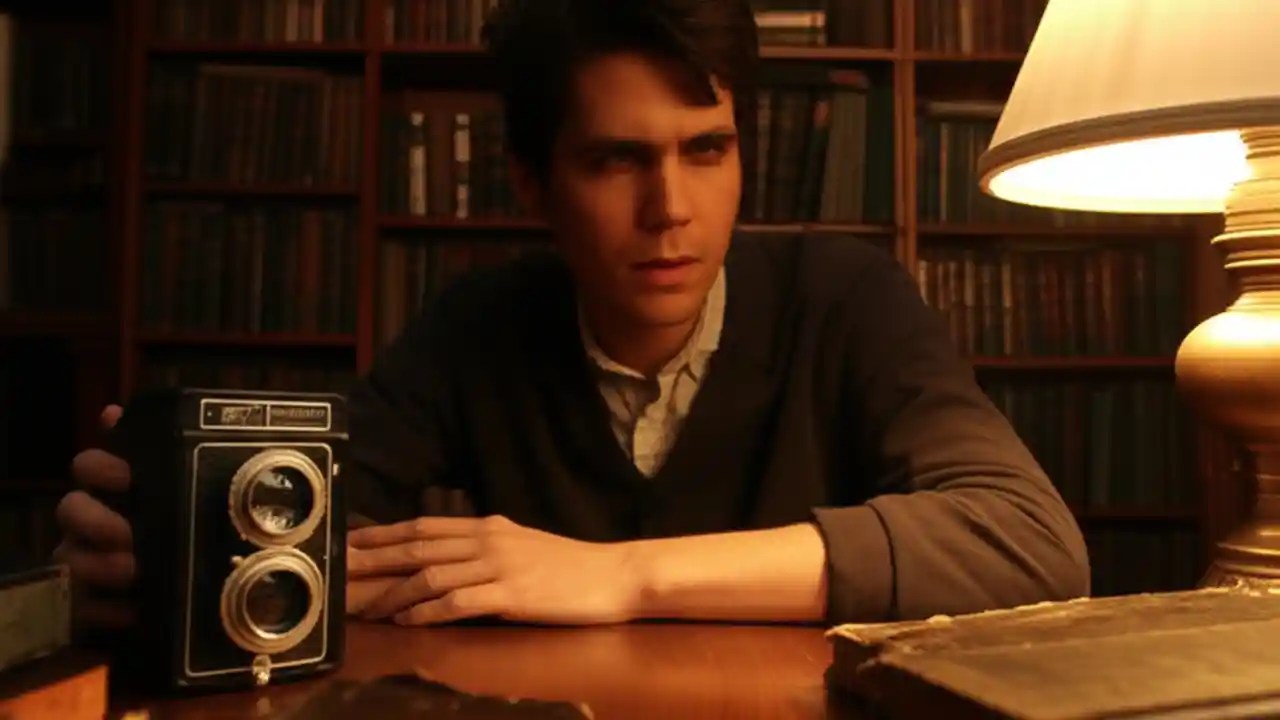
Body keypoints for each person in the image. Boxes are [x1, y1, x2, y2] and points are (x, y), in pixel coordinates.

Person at [53, 0, 1089, 633]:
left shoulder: (843, 296)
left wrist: (614, 576)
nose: (671, 209)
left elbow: (1028, 543)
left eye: (706, 150)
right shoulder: (479, 325)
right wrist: (187, 546)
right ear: (532, 184)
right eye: (614, 160)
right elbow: (325, 518)